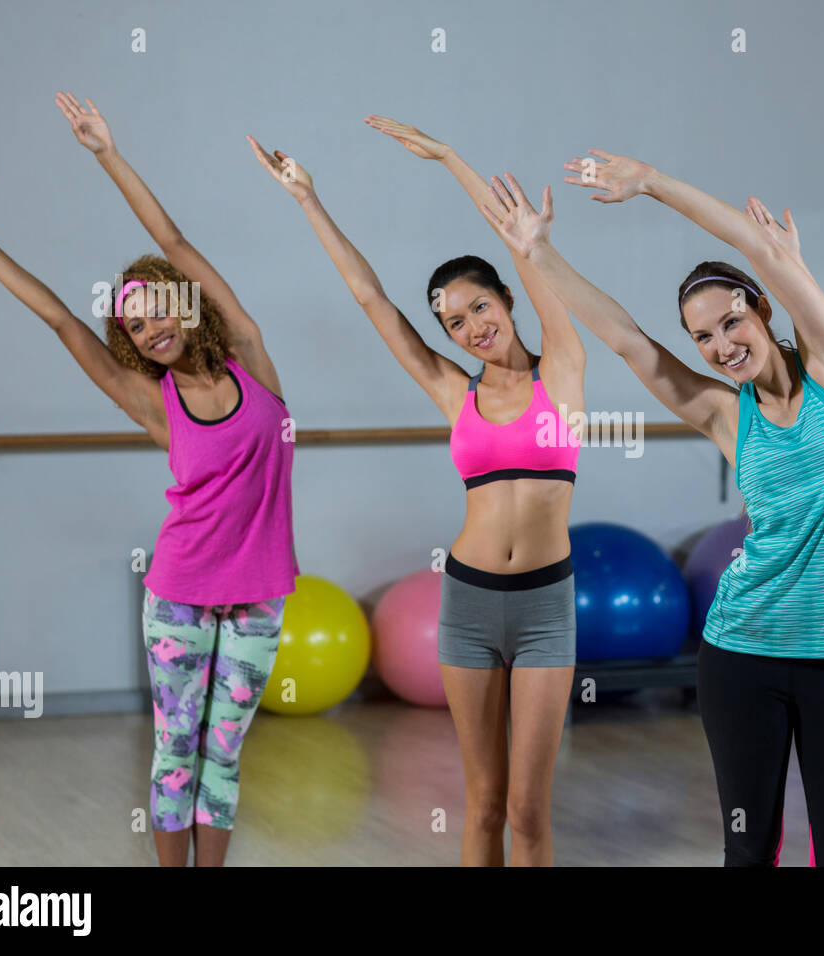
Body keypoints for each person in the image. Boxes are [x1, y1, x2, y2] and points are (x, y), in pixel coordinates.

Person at [478, 150, 824, 866]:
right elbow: (629, 341)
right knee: (748, 850)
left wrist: (654, 184)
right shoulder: (728, 417)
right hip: (741, 657)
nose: (722, 345)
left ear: (762, 308)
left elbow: (759, 248)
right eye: (703, 337)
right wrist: (539, 252)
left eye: (732, 322)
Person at [0, 91, 299, 866]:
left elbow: (170, 235)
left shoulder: (252, 355)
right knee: (178, 751)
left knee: (226, 756)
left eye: (157, 310)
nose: (152, 329)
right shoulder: (151, 401)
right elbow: (64, 322)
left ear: (183, 303)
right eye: (134, 326)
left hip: (260, 591)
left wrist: (107, 153)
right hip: (178, 590)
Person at [248, 116, 585, 866]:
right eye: (453, 322)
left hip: (544, 606)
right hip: (466, 602)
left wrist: (449, 158)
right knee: (484, 805)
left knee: (530, 810)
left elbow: (526, 249)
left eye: (478, 308)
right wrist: (308, 199)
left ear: (506, 297)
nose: (469, 328)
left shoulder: (560, 370)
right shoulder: (450, 390)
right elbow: (372, 300)